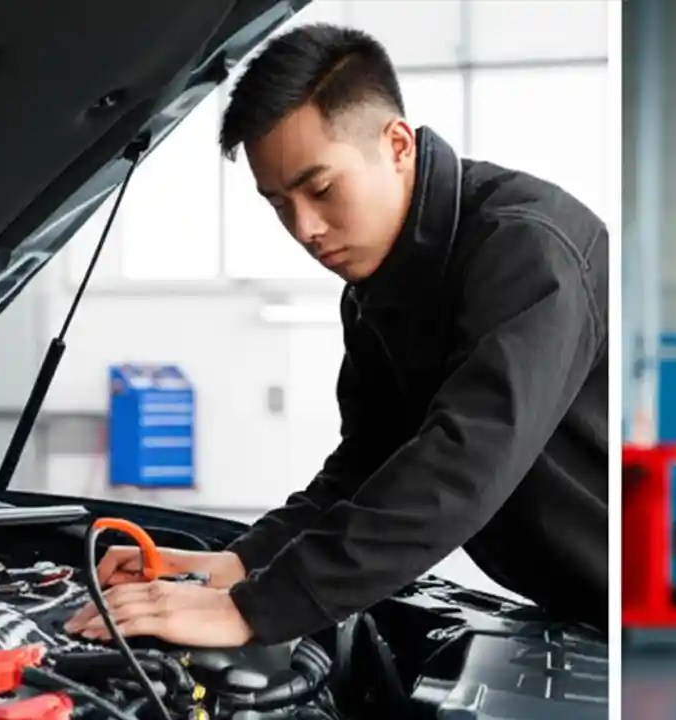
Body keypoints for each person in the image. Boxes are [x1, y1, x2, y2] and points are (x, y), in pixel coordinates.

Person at [65, 23, 608, 647]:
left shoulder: (528, 251)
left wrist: (257, 610)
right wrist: (246, 562)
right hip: (579, 613)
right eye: (279, 203)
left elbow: (462, 463)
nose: (305, 228)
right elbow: (369, 462)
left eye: (321, 189)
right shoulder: (381, 282)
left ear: (397, 144)